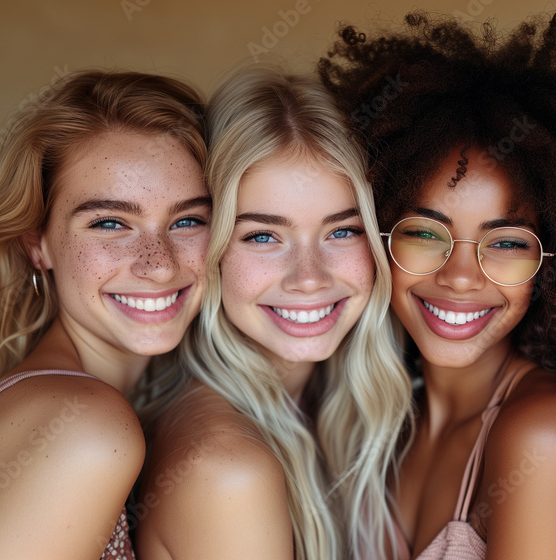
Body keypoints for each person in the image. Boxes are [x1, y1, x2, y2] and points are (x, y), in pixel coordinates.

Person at [320, 12, 556, 559]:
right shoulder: (381, 421)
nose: (461, 276)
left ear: (548, 262)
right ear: (377, 235)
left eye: (507, 242)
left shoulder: (547, 433)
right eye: (425, 233)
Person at [0, 71, 210, 559]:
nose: (159, 264)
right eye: (109, 223)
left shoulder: (54, 406)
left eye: (189, 220)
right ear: (38, 243)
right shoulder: (82, 429)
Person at [133, 67, 412, 560]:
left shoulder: (346, 413)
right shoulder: (227, 470)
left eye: (342, 231)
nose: (309, 278)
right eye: (262, 235)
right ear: (210, 247)